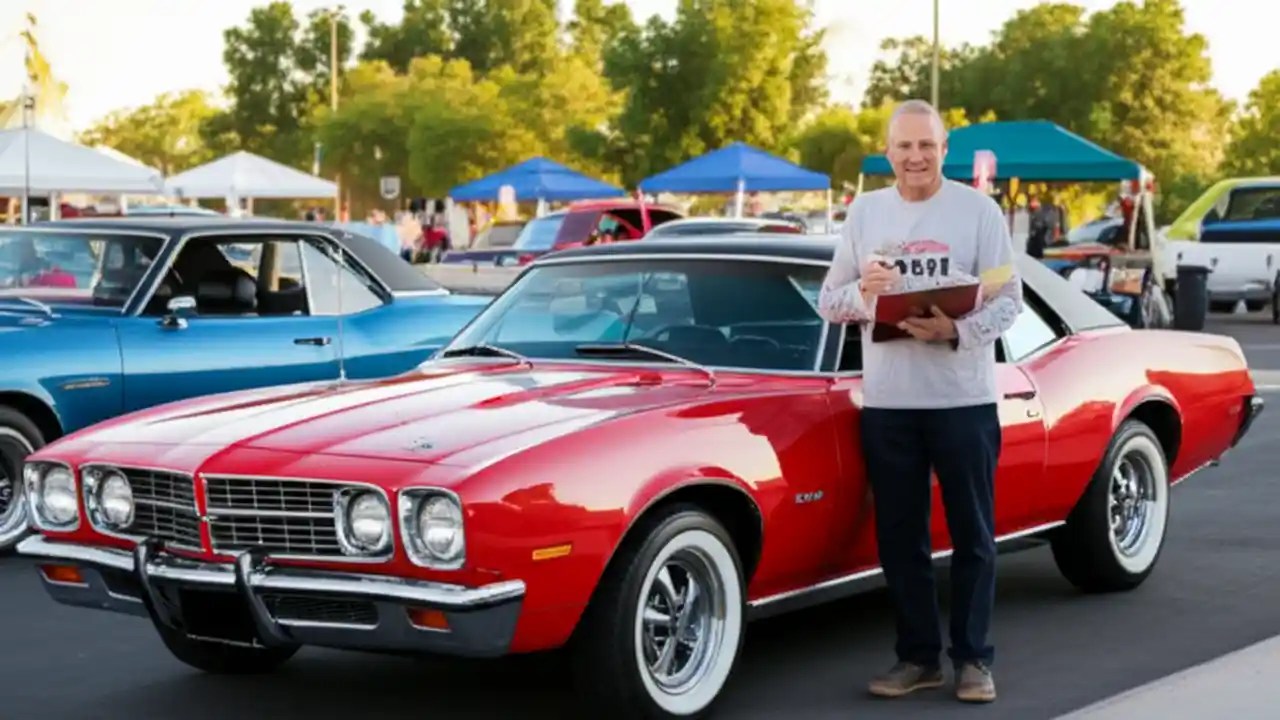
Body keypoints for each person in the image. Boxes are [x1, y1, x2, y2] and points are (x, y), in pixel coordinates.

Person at [817, 99, 1022, 704]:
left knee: (973, 536)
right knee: (900, 538)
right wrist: (863, 290)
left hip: (963, 400)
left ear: (943, 149)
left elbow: (1009, 300)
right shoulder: (864, 212)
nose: (915, 157)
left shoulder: (979, 212)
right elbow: (829, 303)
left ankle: (974, 660)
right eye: (904, 147)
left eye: (926, 146)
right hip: (888, 404)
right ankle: (917, 658)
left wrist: (957, 331)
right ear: (888, 152)